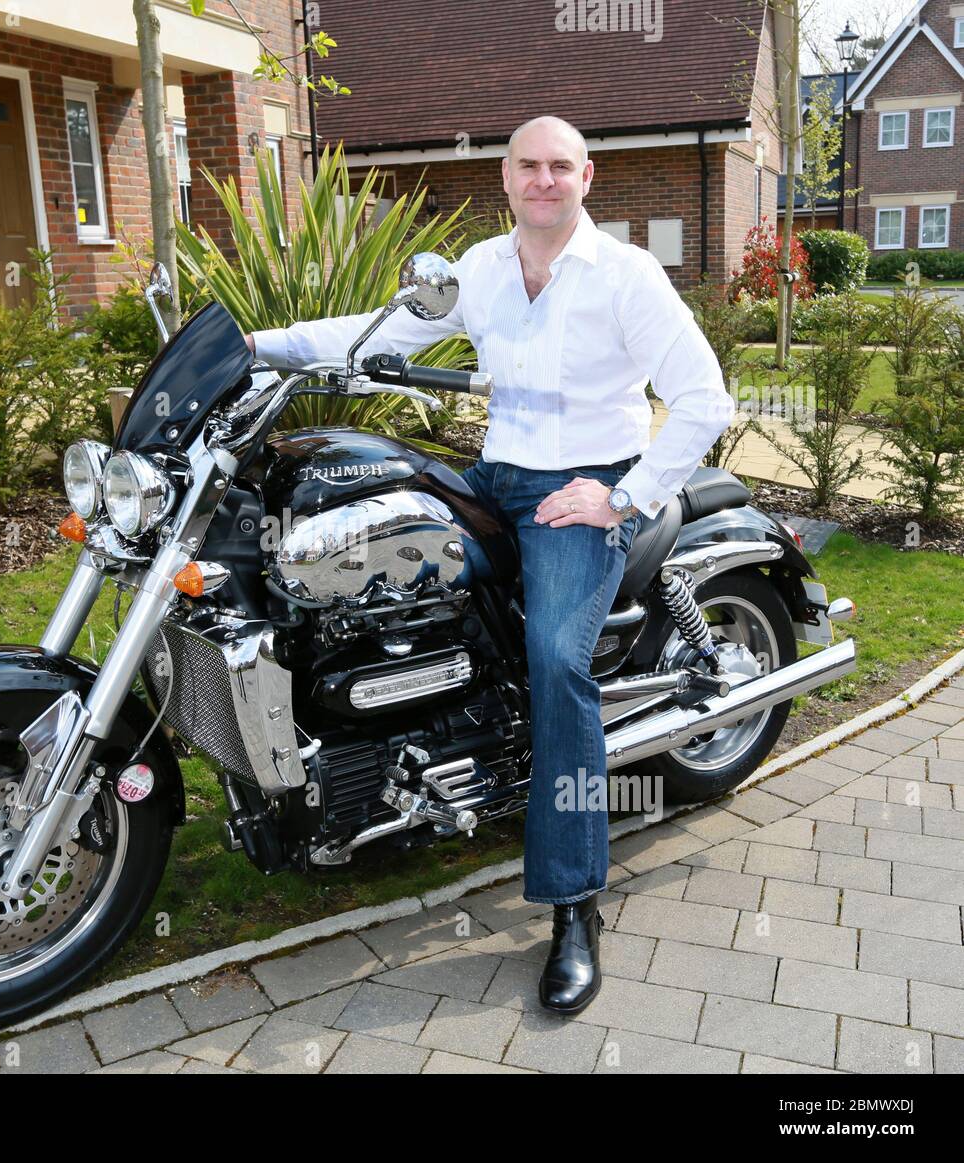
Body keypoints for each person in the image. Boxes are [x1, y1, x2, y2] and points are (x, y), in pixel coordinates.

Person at [245, 115, 735, 1014]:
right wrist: (255, 349)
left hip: (583, 491)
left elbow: (705, 398)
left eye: (560, 167)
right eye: (526, 166)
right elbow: (374, 331)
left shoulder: (626, 277)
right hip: (496, 475)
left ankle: (574, 901)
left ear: (586, 177)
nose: (543, 180)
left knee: (556, 660)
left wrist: (621, 496)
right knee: (367, 574)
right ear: (505, 178)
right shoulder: (479, 268)